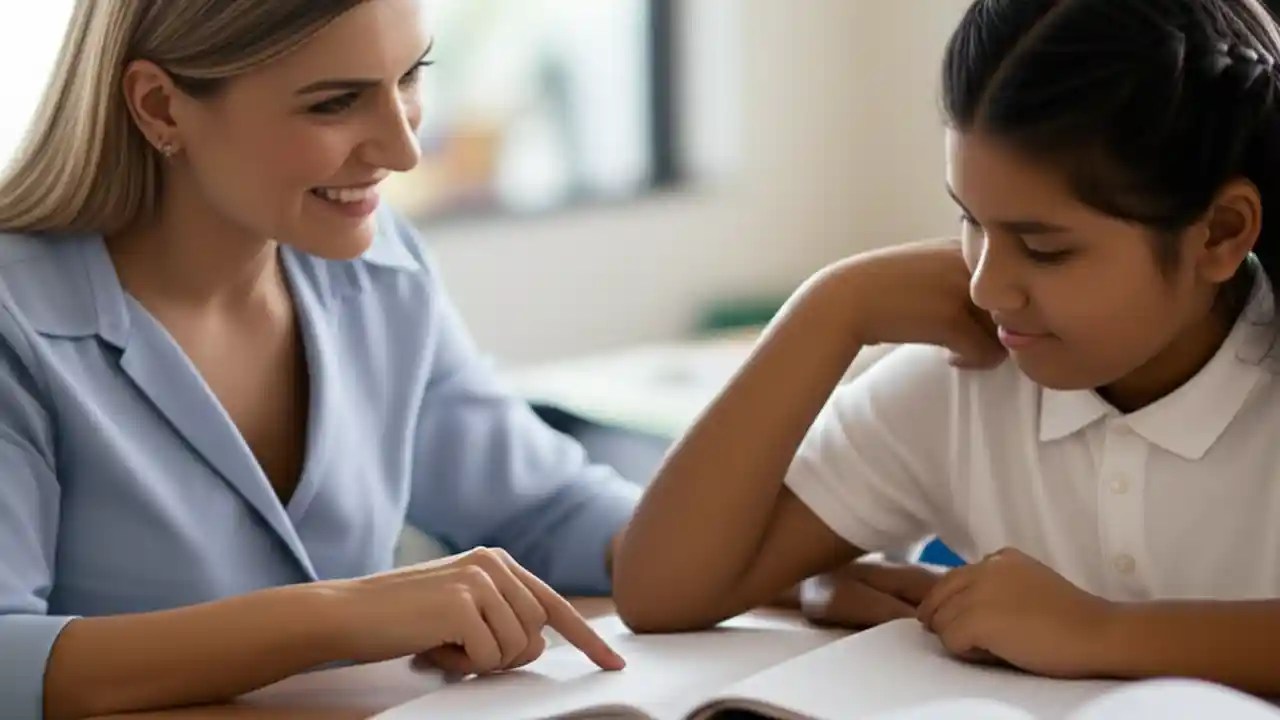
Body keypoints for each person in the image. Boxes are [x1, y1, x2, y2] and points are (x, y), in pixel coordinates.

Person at [0, 2, 646, 718]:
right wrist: (342, 616)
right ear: (161, 106)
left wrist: (769, 548)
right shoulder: (15, 324)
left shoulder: (380, 271)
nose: (403, 151)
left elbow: (550, 508)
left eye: (410, 77)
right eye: (335, 102)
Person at [616, 0, 1280, 696]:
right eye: (969, 221)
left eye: (1043, 249)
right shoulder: (968, 381)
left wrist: (1099, 632)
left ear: (1220, 234)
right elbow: (661, 593)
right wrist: (833, 308)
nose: (989, 286)